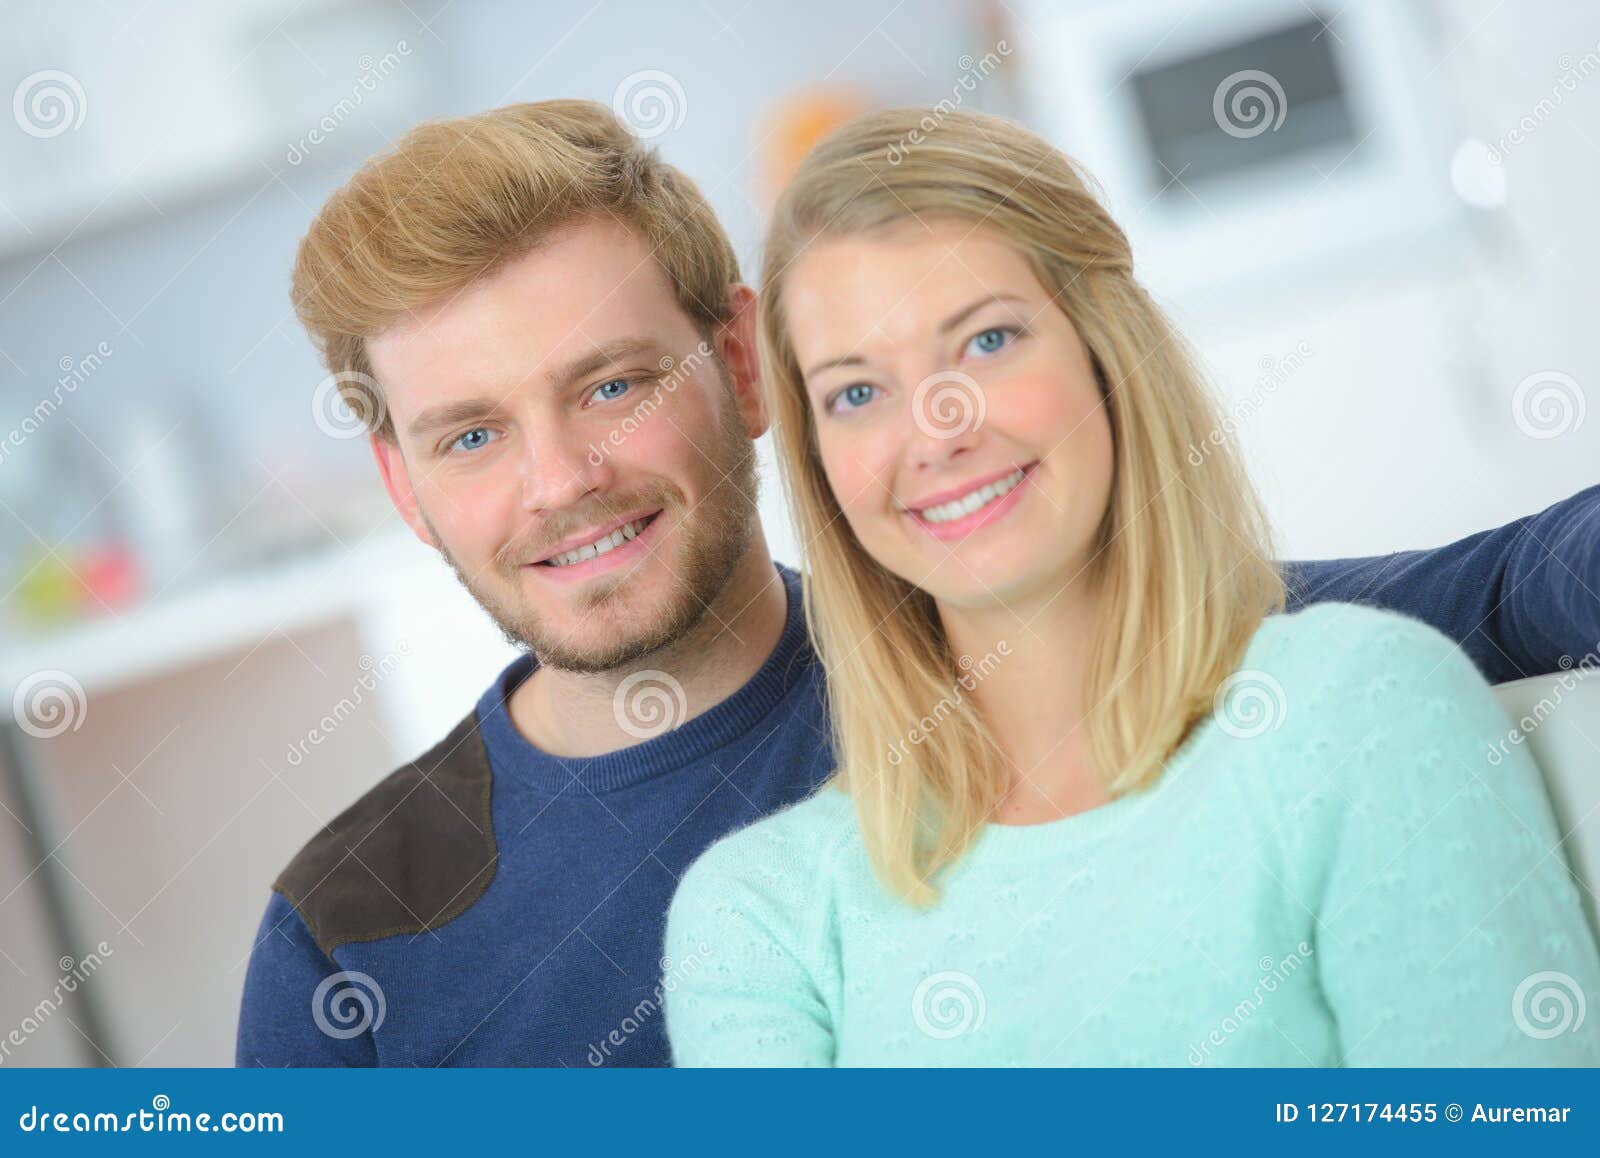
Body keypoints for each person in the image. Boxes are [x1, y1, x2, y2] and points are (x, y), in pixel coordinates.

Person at [238, 99, 1600, 1067]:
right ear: (402, 483)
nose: (559, 479)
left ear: (744, 363)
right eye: (470, 434)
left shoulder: (1007, 633)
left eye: (614, 383)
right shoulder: (349, 939)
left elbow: (1475, 599)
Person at [661, 106, 1600, 1066]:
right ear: (821, 462)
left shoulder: (1363, 710)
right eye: (857, 392)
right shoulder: (759, 920)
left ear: (1106, 351)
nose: (936, 430)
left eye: (987, 341)